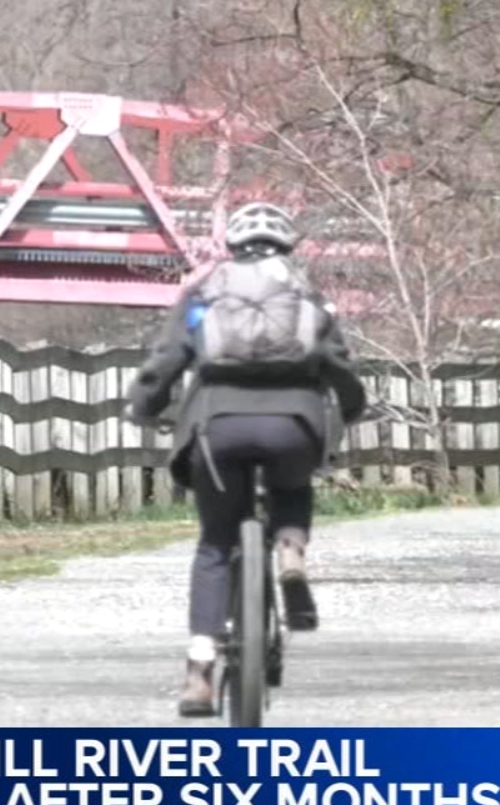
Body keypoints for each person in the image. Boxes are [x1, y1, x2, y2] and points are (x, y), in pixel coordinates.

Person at [124, 201, 367, 718]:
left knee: (214, 545)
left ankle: (200, 675)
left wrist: (144, 405)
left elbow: (168, 359)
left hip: (219, 427)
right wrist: (350, 409)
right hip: (294, 426)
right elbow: (339, 368)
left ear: (232, 247)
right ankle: (290, 553)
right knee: (292, 487)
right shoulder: (308, 297)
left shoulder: (205, 295)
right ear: (287, 247)